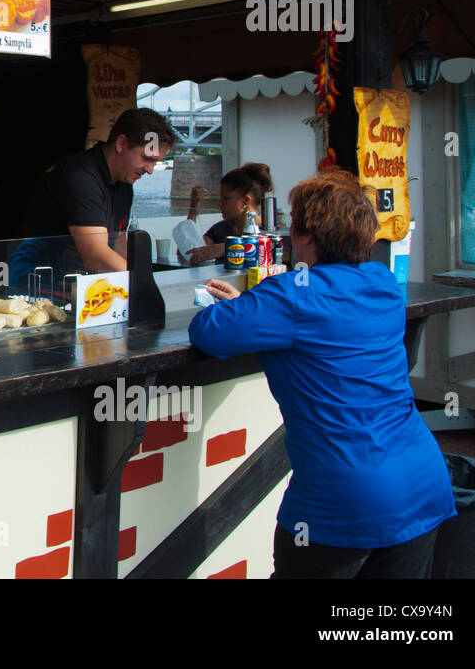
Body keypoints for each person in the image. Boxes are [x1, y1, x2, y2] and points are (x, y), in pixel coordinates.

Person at [189, 170, 455, 578]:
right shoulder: (382, 283)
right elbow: (323, 320)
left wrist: (253, 305)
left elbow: (208, 332)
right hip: (421, 485)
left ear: (307, 236)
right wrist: (257, 307)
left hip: (342, 502)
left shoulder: (292, 295)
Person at [11, 108, 177, 288]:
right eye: (147, 158)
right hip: (36, 282)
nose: (150, 170)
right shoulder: (79, 175)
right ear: (121, 143)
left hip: (74, 284)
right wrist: (142, 284)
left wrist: (143, 276)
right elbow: (95, 255)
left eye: (156, 162)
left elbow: (118, 242)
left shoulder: (124, 185)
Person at [180, 162, 274, 266]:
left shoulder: (267, 235)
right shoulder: (220, 229)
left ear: (245, 201)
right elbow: (187, 252)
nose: (219, 204)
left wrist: (227, 248)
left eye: (226, 199)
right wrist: (193, 212)